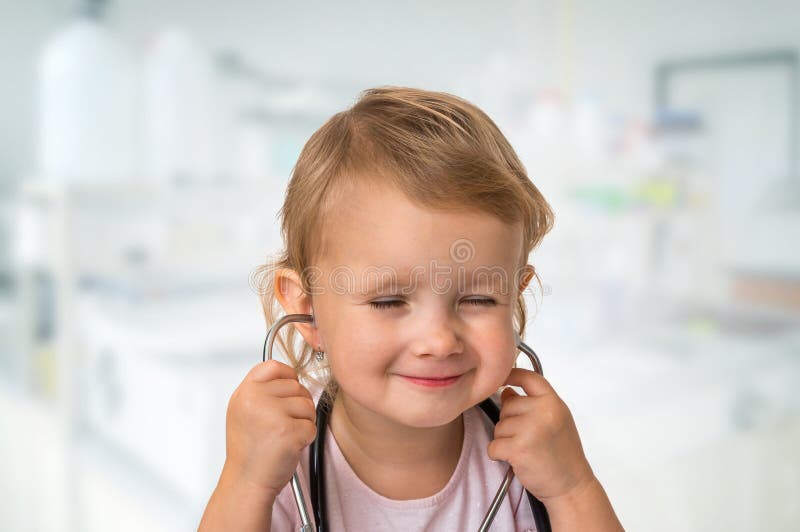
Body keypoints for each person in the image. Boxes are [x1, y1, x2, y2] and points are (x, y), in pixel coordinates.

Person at [199, 86, 623, 531]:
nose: (439, 340)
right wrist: (245, 480)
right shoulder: (280, 465)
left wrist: (573, 488)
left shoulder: (533, 460)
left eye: (478, 299)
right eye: (388, 301)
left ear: (515, 297)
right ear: (308, 308)